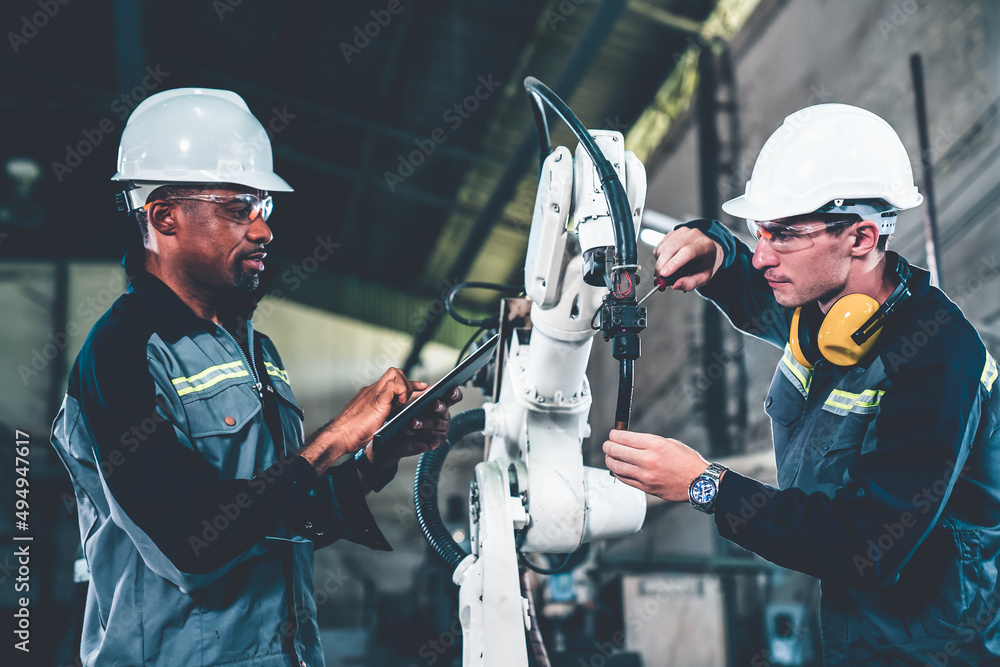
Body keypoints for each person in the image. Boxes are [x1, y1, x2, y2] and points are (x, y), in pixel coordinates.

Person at [48, 88, 460, 667]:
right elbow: (191, 540)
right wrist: (333, 437)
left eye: (264, 207)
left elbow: (275, 516)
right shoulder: (120, 356)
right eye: (238, 208)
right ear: (164, 216)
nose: (263, 230)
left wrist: (373, 458)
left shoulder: (253, 349)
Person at [604, 103, 1000, 665]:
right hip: (847, 630)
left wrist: (705, 484)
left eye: (785, 234)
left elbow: (867, 546)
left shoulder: (939, 360)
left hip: (935, 646)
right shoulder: (821, 305)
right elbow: (755, 286)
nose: (763, 254)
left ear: (862, 237)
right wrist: (715, 250)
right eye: (758, 231)